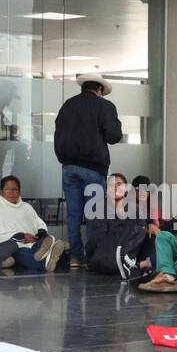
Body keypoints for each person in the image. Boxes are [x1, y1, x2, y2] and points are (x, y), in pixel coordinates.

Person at [54, 71, 121, 269]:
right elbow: (114, 136)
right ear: (99, 89)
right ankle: (93, 257)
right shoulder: (105, 106)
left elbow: (58, 134)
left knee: (73, 215)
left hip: (69, 168)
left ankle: (75, 257)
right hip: (93, 168)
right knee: (94, 215)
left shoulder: (67, 106)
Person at [0, 175, 69, 271]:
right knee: (25, 256)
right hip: (15, 247)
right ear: (1, 192)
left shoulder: (26, 206)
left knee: (45, 245)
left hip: (34, 242)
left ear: (19, 191)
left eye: (15, 189)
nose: (11, 192)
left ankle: (50, 252)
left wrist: (38, 235)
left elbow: (40, 224)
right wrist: (22, 236)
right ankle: (48, 259)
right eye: (7, 189)